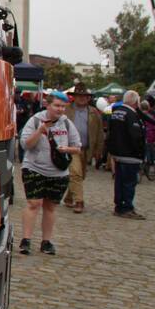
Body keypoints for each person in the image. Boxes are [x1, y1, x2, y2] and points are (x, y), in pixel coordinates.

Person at [18, 90, 80, 256]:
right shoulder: (36, 120)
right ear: (48, 105)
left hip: (58, 172)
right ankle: (26, 240)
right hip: (34, 168)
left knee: (50, 207)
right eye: (57, 106)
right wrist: (40, 131)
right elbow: (26, 144)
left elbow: (77, 147)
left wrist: (66, 149)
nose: (60, 109)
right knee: (34, 203)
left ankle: (46, 241)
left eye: (63, 106)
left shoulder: (67, 123)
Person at [62, 82, 104, 213]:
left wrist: (98, 151)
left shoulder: (94, 113)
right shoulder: (65, 109)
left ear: (88, 98)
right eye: (78, 95)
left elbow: (99, 133)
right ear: (73, 97)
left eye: (84, 96)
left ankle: (69, 197)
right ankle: (79, 201)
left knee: (81, 175)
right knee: (75, 173)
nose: (81, 98)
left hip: (85, 149)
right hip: (70, 147)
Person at [106, 90, 146, 219]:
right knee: (129, 182)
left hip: (118, 153)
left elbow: (109, 132)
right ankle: (127, 207)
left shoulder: (116, 112)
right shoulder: (131, 114)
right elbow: (136, 136)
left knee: (119, 181)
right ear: (136, 101)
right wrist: (140, 152)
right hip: (130, 154)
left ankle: (119, 206)